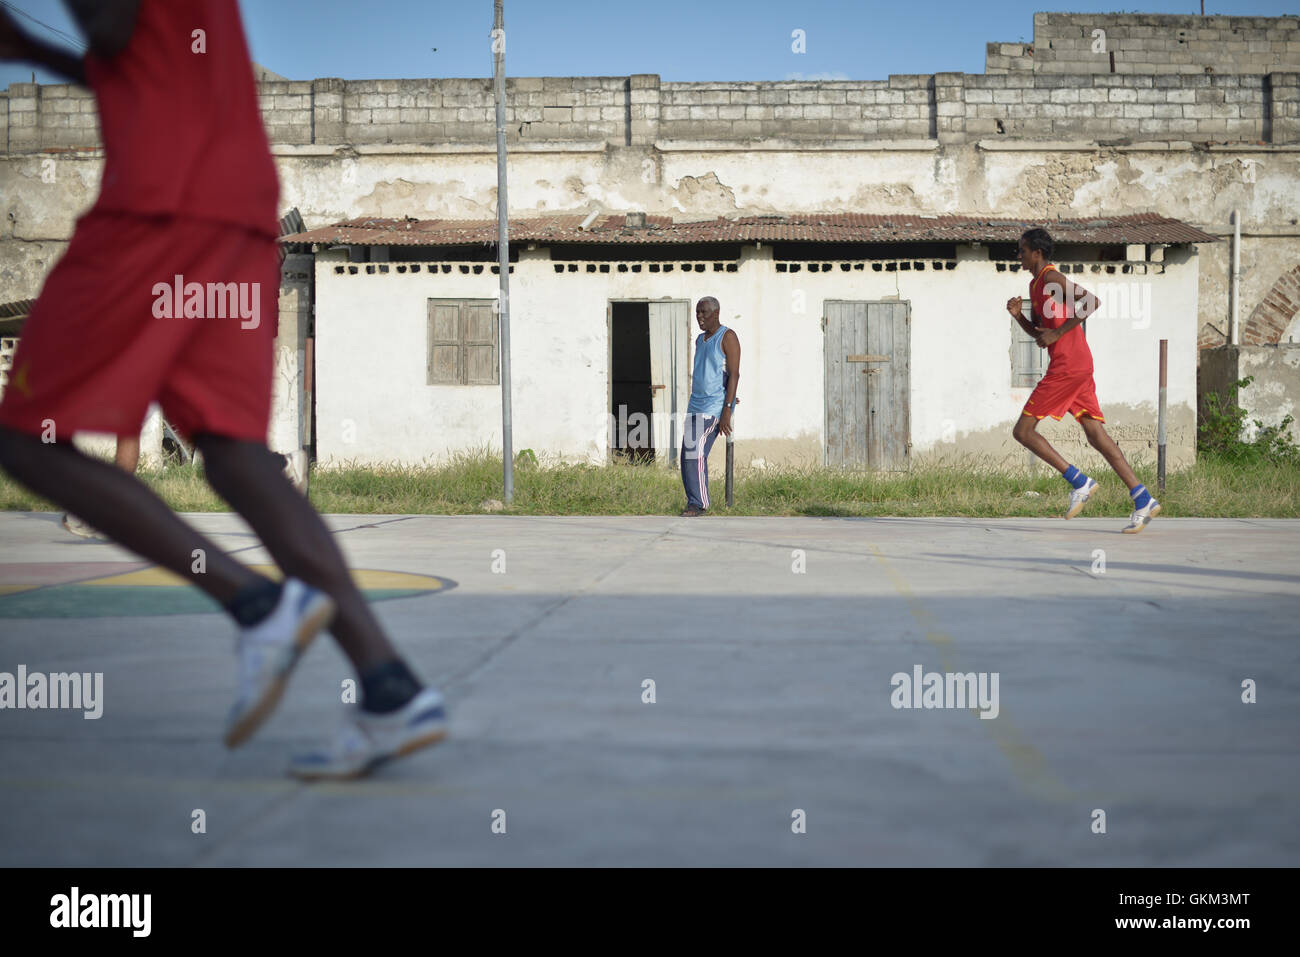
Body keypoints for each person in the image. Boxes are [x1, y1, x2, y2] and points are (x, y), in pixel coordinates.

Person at [0, 0, 446, 778]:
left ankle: (256, 602)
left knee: (23, 436)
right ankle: (388, 686)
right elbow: (138, 61)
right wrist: (41, 49)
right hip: (237, 209)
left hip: (158, 203)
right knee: (235, 454)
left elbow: (111, 24)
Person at [1007, 227, 1161, 533]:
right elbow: (1041, 337)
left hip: (1068, 367)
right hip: (1077, 365)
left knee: (1023, 431)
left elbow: (1091, 302)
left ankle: (1080, 482)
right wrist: (1019, 317)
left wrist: (1059, 332)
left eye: (1022, 251)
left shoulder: (1051, 278)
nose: (1019, 256)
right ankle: (1143, 499)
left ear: (1036, 253)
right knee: (1096, 434)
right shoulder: (1035, 285)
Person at [679, 296, 739, 516]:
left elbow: (733, 375)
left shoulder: (728, 337)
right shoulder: (699, 340)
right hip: (695, 404)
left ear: (716, 313)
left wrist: (727, 408)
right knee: (687, 454)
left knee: (695, 452)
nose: (700, 317)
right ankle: (693, 500)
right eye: (697, 313)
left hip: (714, 407)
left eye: (704, 313)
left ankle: (699, 503)